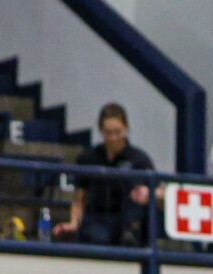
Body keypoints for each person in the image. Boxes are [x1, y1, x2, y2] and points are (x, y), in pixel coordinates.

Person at [64, 102, 156, 246]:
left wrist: (149, 193)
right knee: (94, 237)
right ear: (101, 130)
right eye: (108, 132)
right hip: (97, 221)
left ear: (126, 128)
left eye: (118, 132)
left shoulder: (140, 160)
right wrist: (74, 223)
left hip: (128, 224)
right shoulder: (88, 158)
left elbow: (155, 192)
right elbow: (80, 197)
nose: (113, 138)